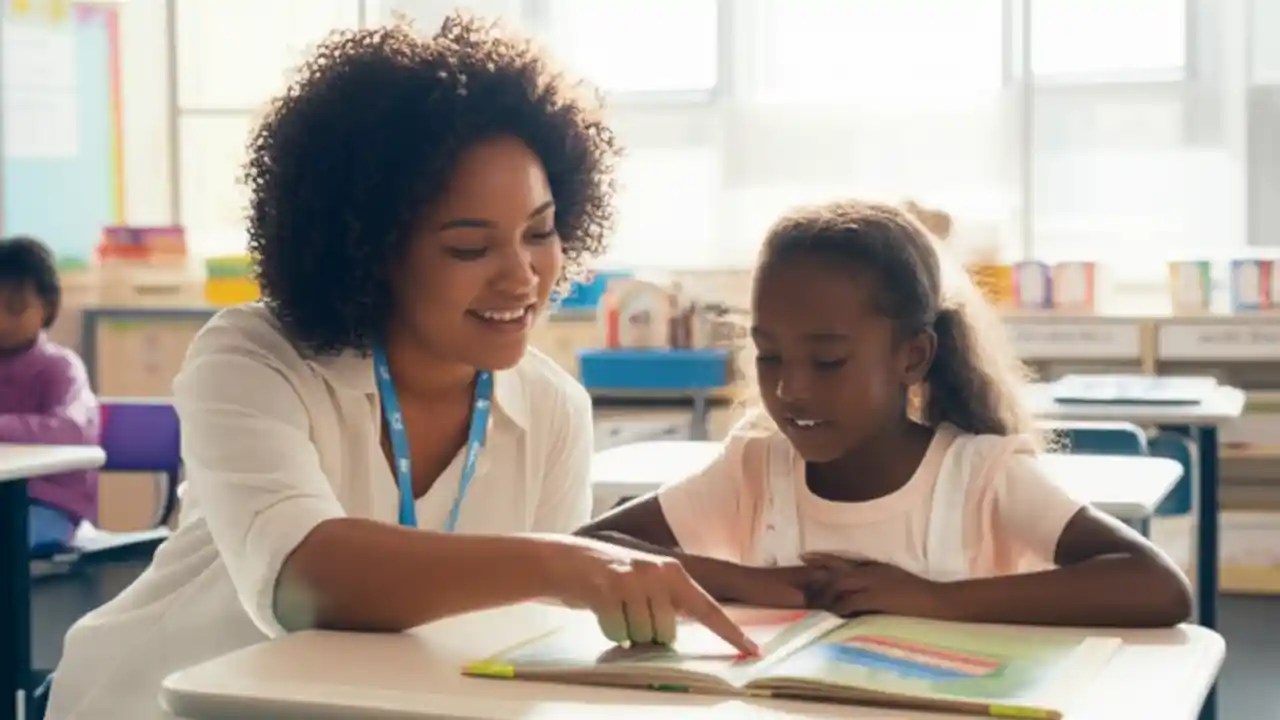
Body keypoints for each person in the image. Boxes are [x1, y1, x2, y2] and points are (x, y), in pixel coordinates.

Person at [49, 17, 752, 720]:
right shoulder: (251, 359)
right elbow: (305, 582)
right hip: (159, 703)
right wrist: (565, 562)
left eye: (540, 233)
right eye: (469, 248)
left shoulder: (554, 408)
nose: (522, 277)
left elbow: (515, 644)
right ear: (372, 251)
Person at [580, 200, 1193, 628]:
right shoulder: (758, 470)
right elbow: (585, 549)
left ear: (913, 357)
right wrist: (759, 584)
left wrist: (936, 600)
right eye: (769, 357)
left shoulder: (977, 478)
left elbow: (1157, 587)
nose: (790, 389)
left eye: (828, 362)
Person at [0, 236, 99, 551]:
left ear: (48, 307)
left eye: (15, 307)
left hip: (49, 506)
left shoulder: (59, 367)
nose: (2, 320)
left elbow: (73, 429)